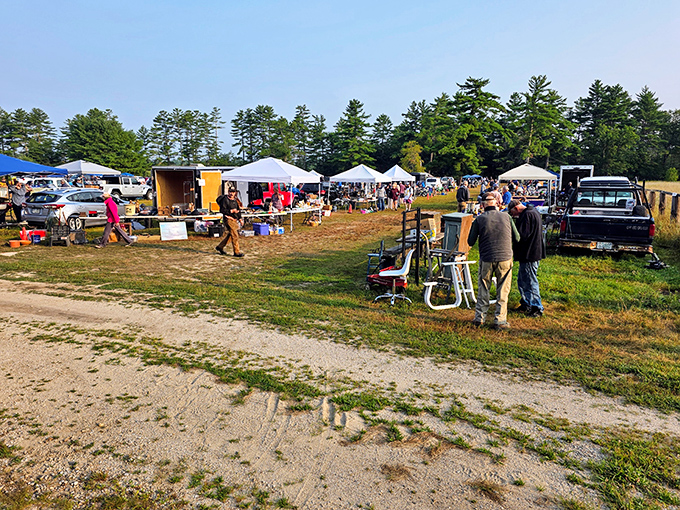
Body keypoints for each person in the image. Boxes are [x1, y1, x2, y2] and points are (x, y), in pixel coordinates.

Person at [467, 193, 520, 329]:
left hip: (487, 257)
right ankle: (500, 320)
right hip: (505, 257)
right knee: (503, 289)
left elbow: (470, 241)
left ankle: (480, 318)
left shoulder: (479, 219)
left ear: (483, 205)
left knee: (484, 287)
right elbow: (517, 238)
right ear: (497, 203)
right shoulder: (507, 217)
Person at [508, 199, 546, 317]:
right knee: (522, 279)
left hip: (530, 253)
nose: (513, 216)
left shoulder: (527, 215)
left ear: (516, 208)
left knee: (530, 281)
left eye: (512, 213)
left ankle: (536, 307)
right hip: (530, 252)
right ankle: (526, 302)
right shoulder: (532, 211)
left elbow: (522, 236)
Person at [215, 188, 244, 257]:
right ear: (228, 192)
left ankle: (220, 246)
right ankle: (237, 252)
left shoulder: (235, 200)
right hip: (228, 219)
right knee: (235, 235)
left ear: (235, 193)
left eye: (233, 192)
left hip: (234, 219)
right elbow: (222, 210)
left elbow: (238, 210)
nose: (231, 193)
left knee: (231, 235)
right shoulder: (225, 200)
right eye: (230, 192)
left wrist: (240, 219)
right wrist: (231, 211)